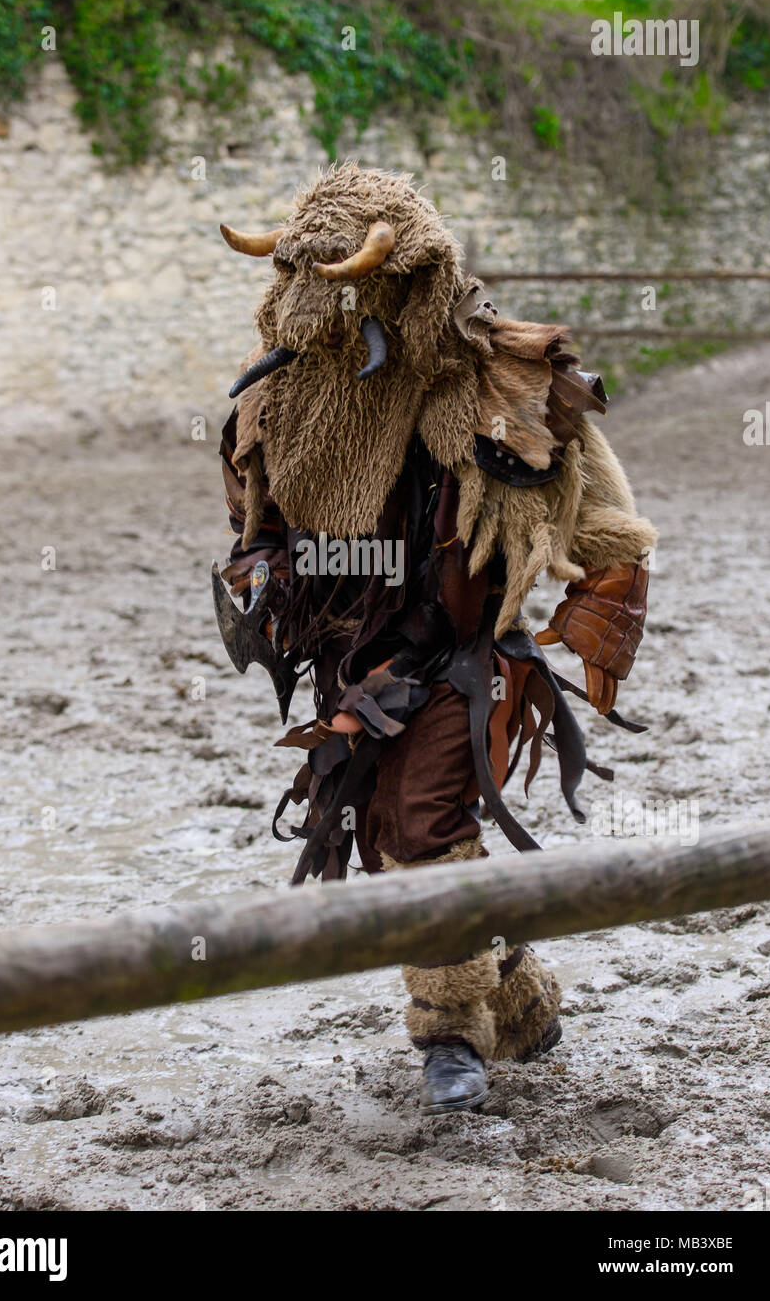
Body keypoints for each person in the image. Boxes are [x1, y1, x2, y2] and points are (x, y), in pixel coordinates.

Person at [216, 163, 656, 1114]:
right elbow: (253, 532)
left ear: (400, 281)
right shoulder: (287, 404)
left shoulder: (500, 380)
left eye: (336, 286)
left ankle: (448, 1033)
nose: (310, 310)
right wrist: (261, 574)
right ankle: (524, 1002)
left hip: (463, 653)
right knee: (387, 841)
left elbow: (604, 524)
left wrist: (601, 610)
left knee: (422, 829)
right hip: (354, 661)